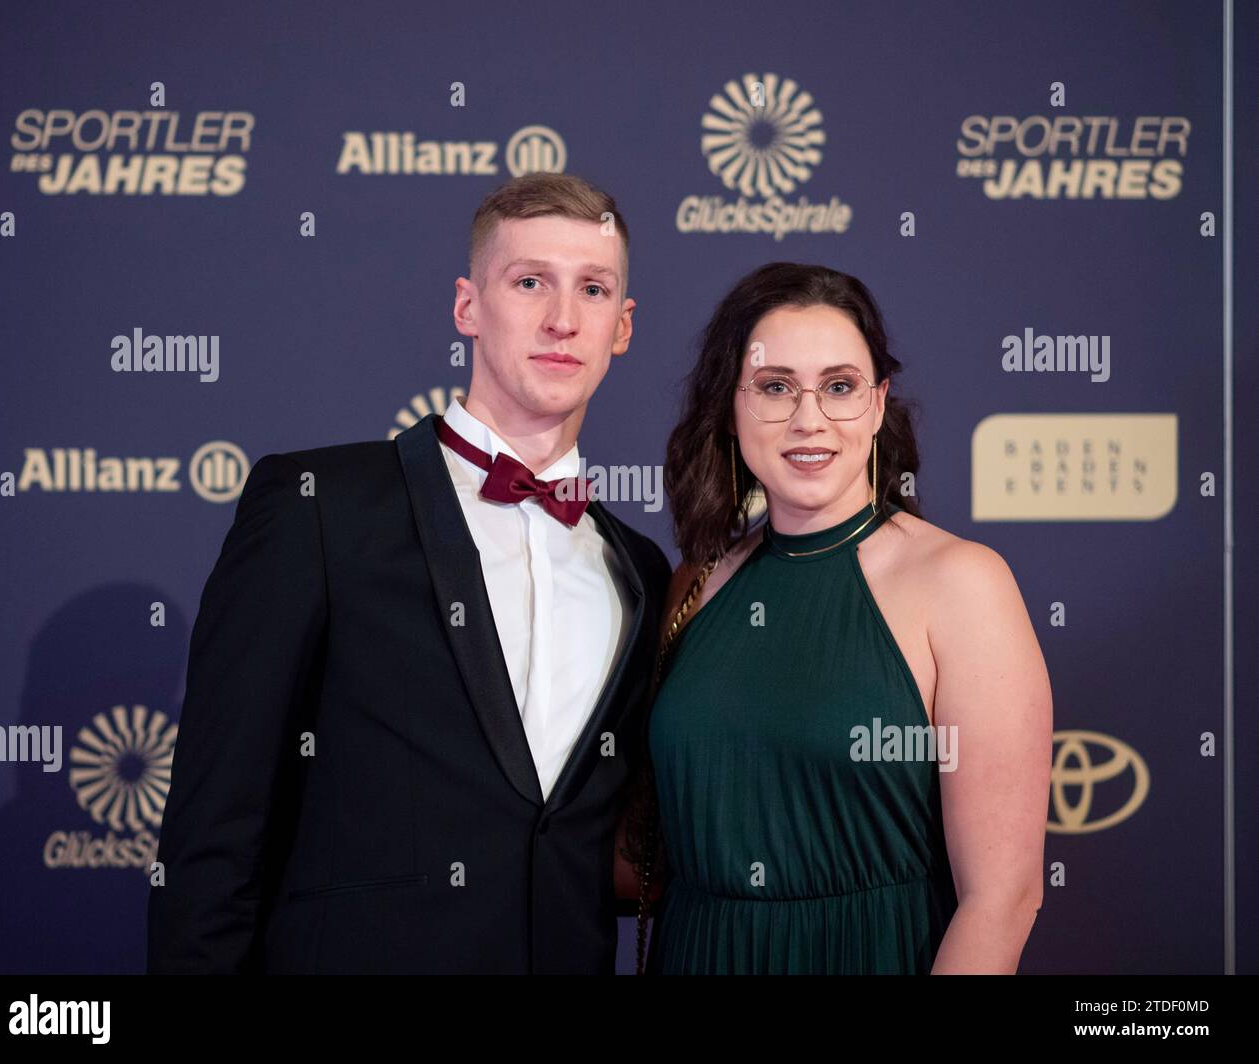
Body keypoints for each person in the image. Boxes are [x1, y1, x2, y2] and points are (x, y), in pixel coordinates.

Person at [148, 172, 672, 974]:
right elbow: (215, 830)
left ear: (623, 326)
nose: (563, 319)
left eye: (593, 290)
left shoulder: (638, 570)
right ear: (467, 306)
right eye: (529, 281)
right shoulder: (318, 508)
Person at [619, 262, 1052, 974]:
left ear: (879, 405)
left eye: (840, 387)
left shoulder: (962, 585)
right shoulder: (692, 584)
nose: (808, 419)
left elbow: (1002, 899)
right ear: (732, 406)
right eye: (775, 387)